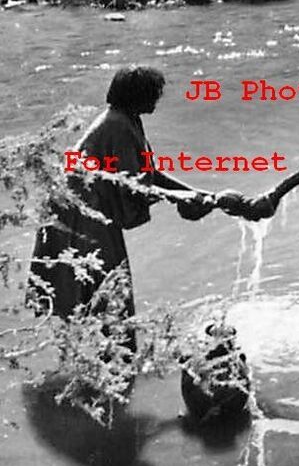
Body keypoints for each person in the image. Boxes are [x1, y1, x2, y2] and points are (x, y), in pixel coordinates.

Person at [29, 66, 224, 318]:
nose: (158, 97)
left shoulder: (128, 119)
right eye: (154, 92)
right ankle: (119, 351)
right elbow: (132, 186)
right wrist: (179, 198)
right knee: (109, 285)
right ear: (137, 95)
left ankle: (109, 350)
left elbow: (149, 173)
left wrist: (197, 193)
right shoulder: (117, 125)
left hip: (87, 208)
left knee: (102, 286)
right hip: (80, 215)